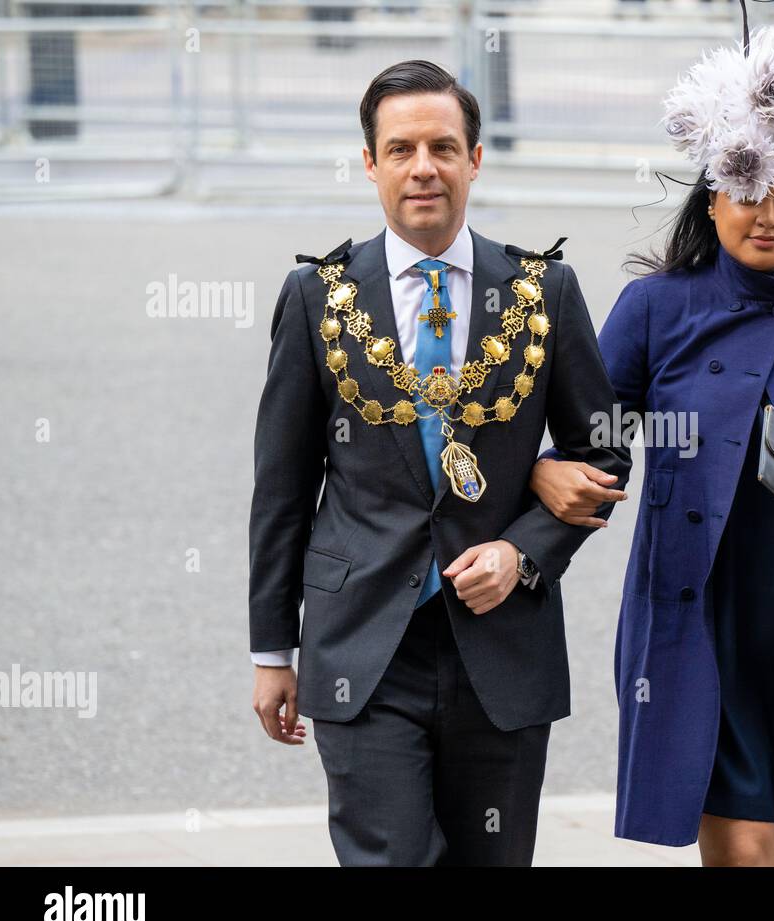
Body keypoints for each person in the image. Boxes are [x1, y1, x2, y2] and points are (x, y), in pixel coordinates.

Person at [529, 24, 774, 866]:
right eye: (747, 191)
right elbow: (592, 433)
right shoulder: (655, 309)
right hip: (699, 616)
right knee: (746, 852)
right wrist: (543, 470)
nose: (767, 213)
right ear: (712, 198)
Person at [247, 59, 630, 866]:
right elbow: (282, 488)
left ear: (475, 159)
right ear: (371, 164)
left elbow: (604, 447)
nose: (424, 167)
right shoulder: (318, 296)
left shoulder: (543, 291)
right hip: (363, 649)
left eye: (444, 147)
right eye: (402, 149)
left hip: (501, 649)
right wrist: (272, 653)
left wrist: (523, 552)